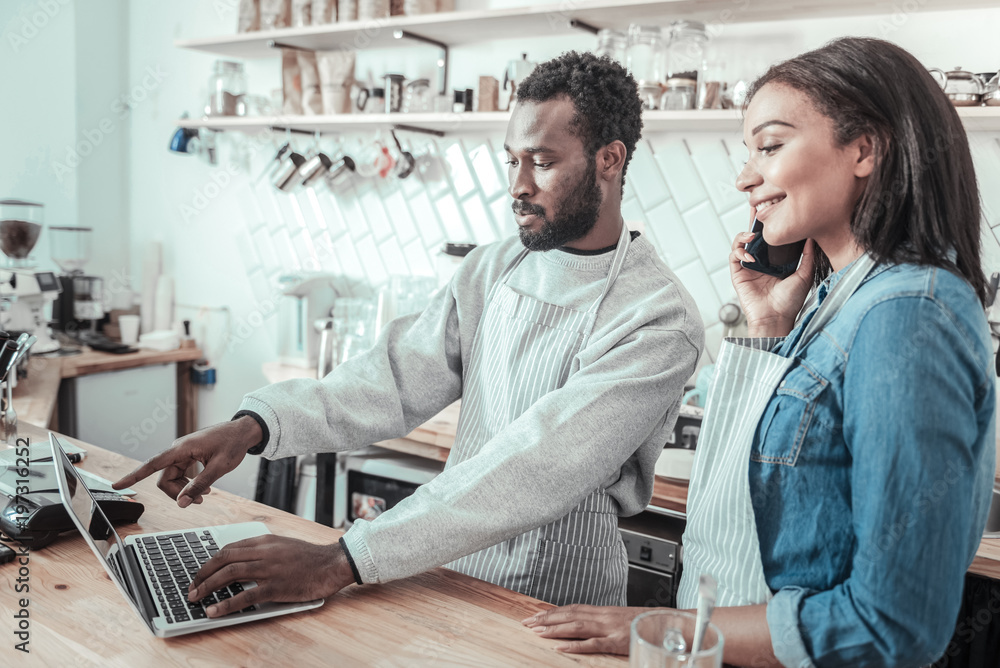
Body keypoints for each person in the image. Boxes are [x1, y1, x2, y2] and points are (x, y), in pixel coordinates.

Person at [114, 52, 704, 616]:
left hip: (555, 601)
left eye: (542, 162)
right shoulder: (493, 268)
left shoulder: (658, 317)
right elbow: (392, 379)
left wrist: (343, 559)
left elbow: (535, 467)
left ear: (610, 159)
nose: (518, 185)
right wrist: (255, 425)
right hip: (444, 570)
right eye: (510, 160)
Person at [521, 37, 996, 667]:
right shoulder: (838, 300)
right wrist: (768, 323)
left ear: (865, 148)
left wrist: (674, 628)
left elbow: (892, 622)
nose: (746, 176)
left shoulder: (905, 313)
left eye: (769, 146)